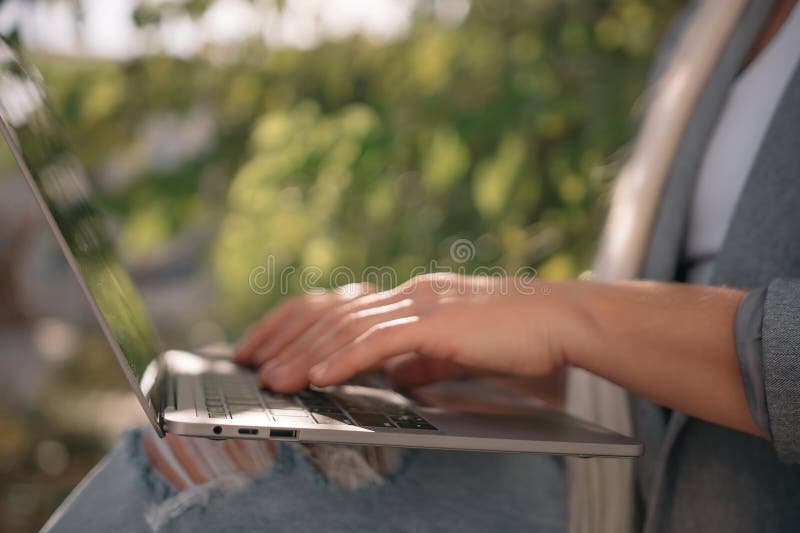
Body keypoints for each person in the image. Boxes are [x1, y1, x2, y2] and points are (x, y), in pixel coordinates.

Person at [44, 0, 800, 532]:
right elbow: (678, 397)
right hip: (621, 489)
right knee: (192, 442)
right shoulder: (718, 28)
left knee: (195, 489)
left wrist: (567, 312)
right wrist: (473, 359)